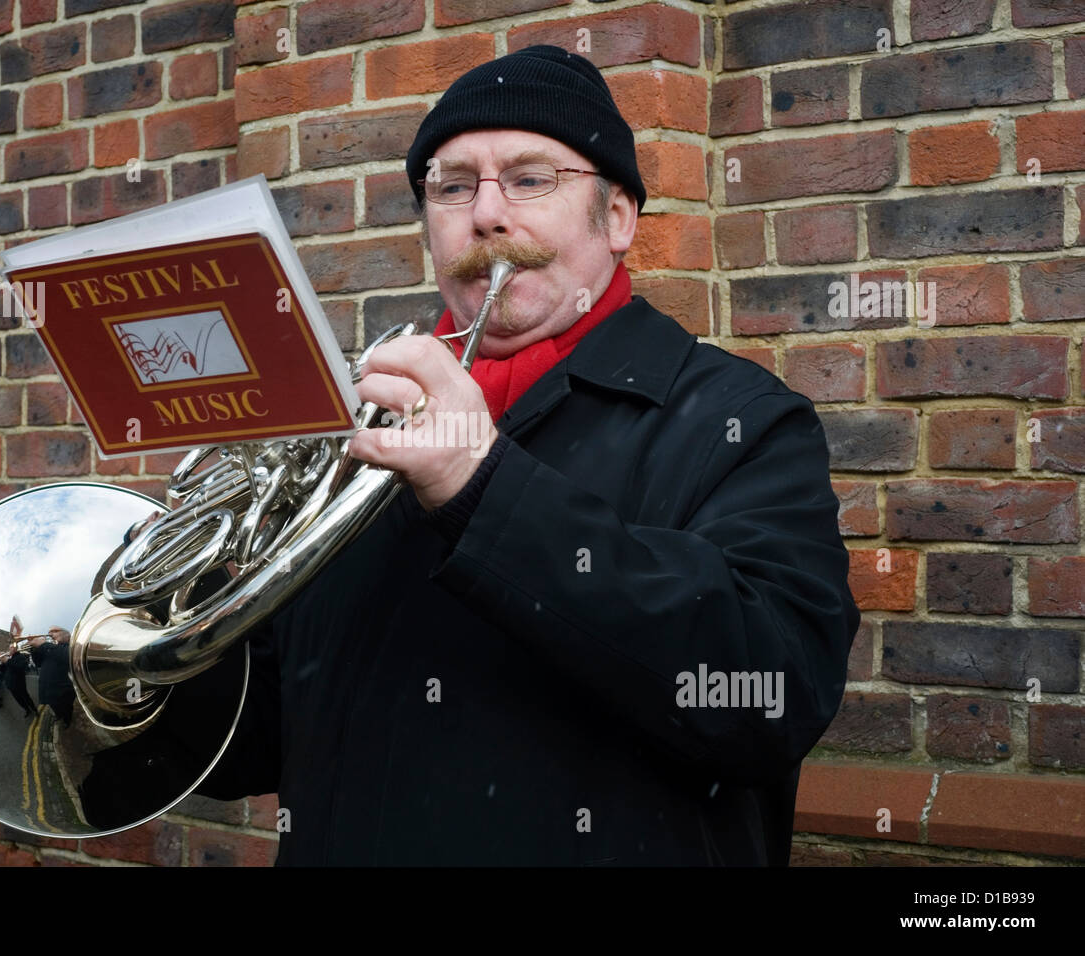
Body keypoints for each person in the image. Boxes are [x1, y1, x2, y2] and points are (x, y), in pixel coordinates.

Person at [189, 45, 860, 865]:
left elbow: (772, 698)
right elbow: (262, 739)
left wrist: (483, 485)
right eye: (453, 185)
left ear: (617, 218)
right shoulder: (356, 429)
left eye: (532, 179)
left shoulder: (742, 420)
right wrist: (143, 673)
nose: (487, 214)